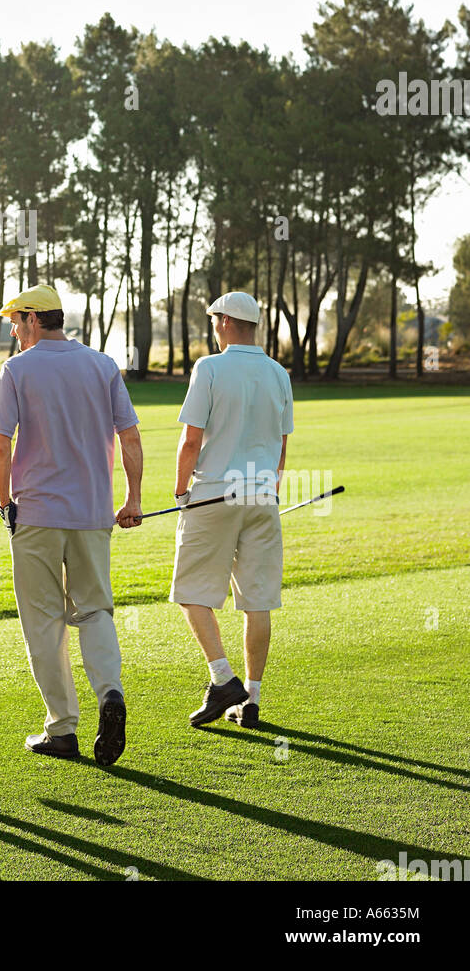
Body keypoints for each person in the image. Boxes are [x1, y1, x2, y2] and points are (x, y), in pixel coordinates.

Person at [0, 283, 142, 766]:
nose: (13, 330)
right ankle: (110, 693)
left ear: (34, 318)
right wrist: (132, 499)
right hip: (94, 512)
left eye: (16, 321)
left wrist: (3, 500)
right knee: (95, 611)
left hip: (36, 514)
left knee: (43, 621)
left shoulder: (17, 369)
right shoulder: (103, 365)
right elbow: (131, 438)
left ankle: (62, 728)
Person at [163, 290, 293, 729]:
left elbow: (191, 440)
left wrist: (181, 491)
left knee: (192, 593)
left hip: (214, 493)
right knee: (257, 600)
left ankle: (223, 680)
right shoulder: (278, 373)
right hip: (261, 496)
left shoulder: (210, 367)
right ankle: (250, 700)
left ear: (223, 322)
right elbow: (281, 445)